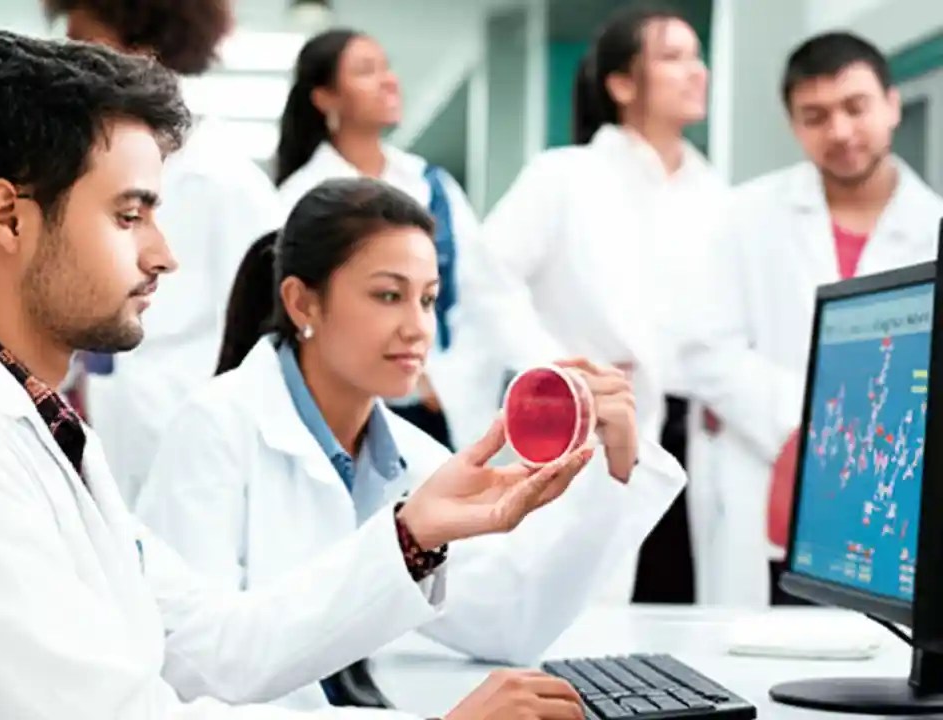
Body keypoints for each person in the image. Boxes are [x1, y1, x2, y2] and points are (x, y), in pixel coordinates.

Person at [0, 31, 600, 720]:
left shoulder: (30, 432)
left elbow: (220, 645)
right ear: (8, 217)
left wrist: (415, 534)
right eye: (129, 214)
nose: (164, 253)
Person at [134, 176, 687, 711]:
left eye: (428, 300)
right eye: (388, 295)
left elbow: (505, 620)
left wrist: (615, 467)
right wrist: (406, 540)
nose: (418, 327)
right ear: (303, 304)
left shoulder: (403, 454)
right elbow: (199, 669)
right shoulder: (215, 428)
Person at [451, 4, 727, 603]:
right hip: (593, 431)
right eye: (673, 57)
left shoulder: (714, 195)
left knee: (683, 617)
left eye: (696, 56)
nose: (696, 71)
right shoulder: (565, 176)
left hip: (695, 441)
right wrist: (561, 377)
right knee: (590, 613)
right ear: (623, 83)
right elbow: (485, 275)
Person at [681, 31, 943, 608]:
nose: (842, 132)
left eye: (856, 107)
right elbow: (704, 349)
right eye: (816, 116)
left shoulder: (934, 224)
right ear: (794, 125)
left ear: (892, 104)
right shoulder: (743, 216)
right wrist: (815, 421)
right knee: (756, 655)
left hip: (892, 492)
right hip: (767, 472)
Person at [45, 0, 282, 507]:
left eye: (85, 45)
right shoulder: (83, 165)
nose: (68, 62)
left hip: (181, 444)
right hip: (96, 427)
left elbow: (260, 342)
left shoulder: (228, 183)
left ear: (144, 48)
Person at [272, 28, 492, 451]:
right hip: (334, 409)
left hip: (433, 407)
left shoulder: (432, 186)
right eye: (366, 71)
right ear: (325, 98)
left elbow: (481, 294)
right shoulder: (297, 199)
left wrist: (445, 380)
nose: (389, 80)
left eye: (387, 67)